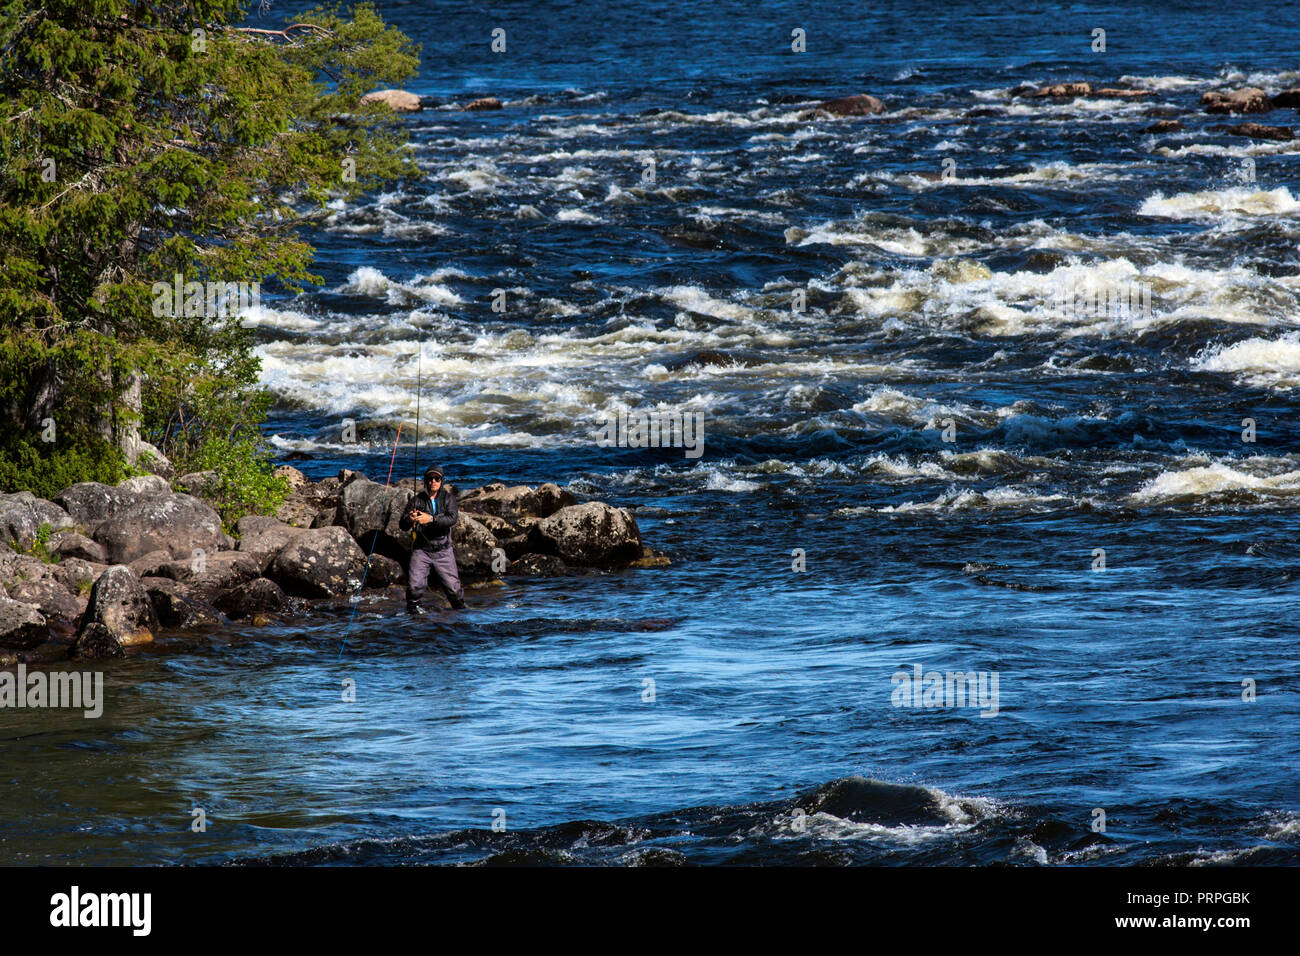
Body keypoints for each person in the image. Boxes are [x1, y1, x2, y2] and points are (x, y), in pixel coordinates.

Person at [399, 465, 467, 612]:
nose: (433, 481)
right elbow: (402, 524)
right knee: (414, 587)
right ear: (426, 481)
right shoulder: (416, 500)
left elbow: (452, 519)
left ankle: (461, 620)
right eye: (430, 479)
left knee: (454, 592)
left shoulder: (449, 499)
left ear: (442, 481)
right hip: (421, 550)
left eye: (437, 479)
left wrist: (431, 519)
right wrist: (410, 519)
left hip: (443, 550)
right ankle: (414, 619)